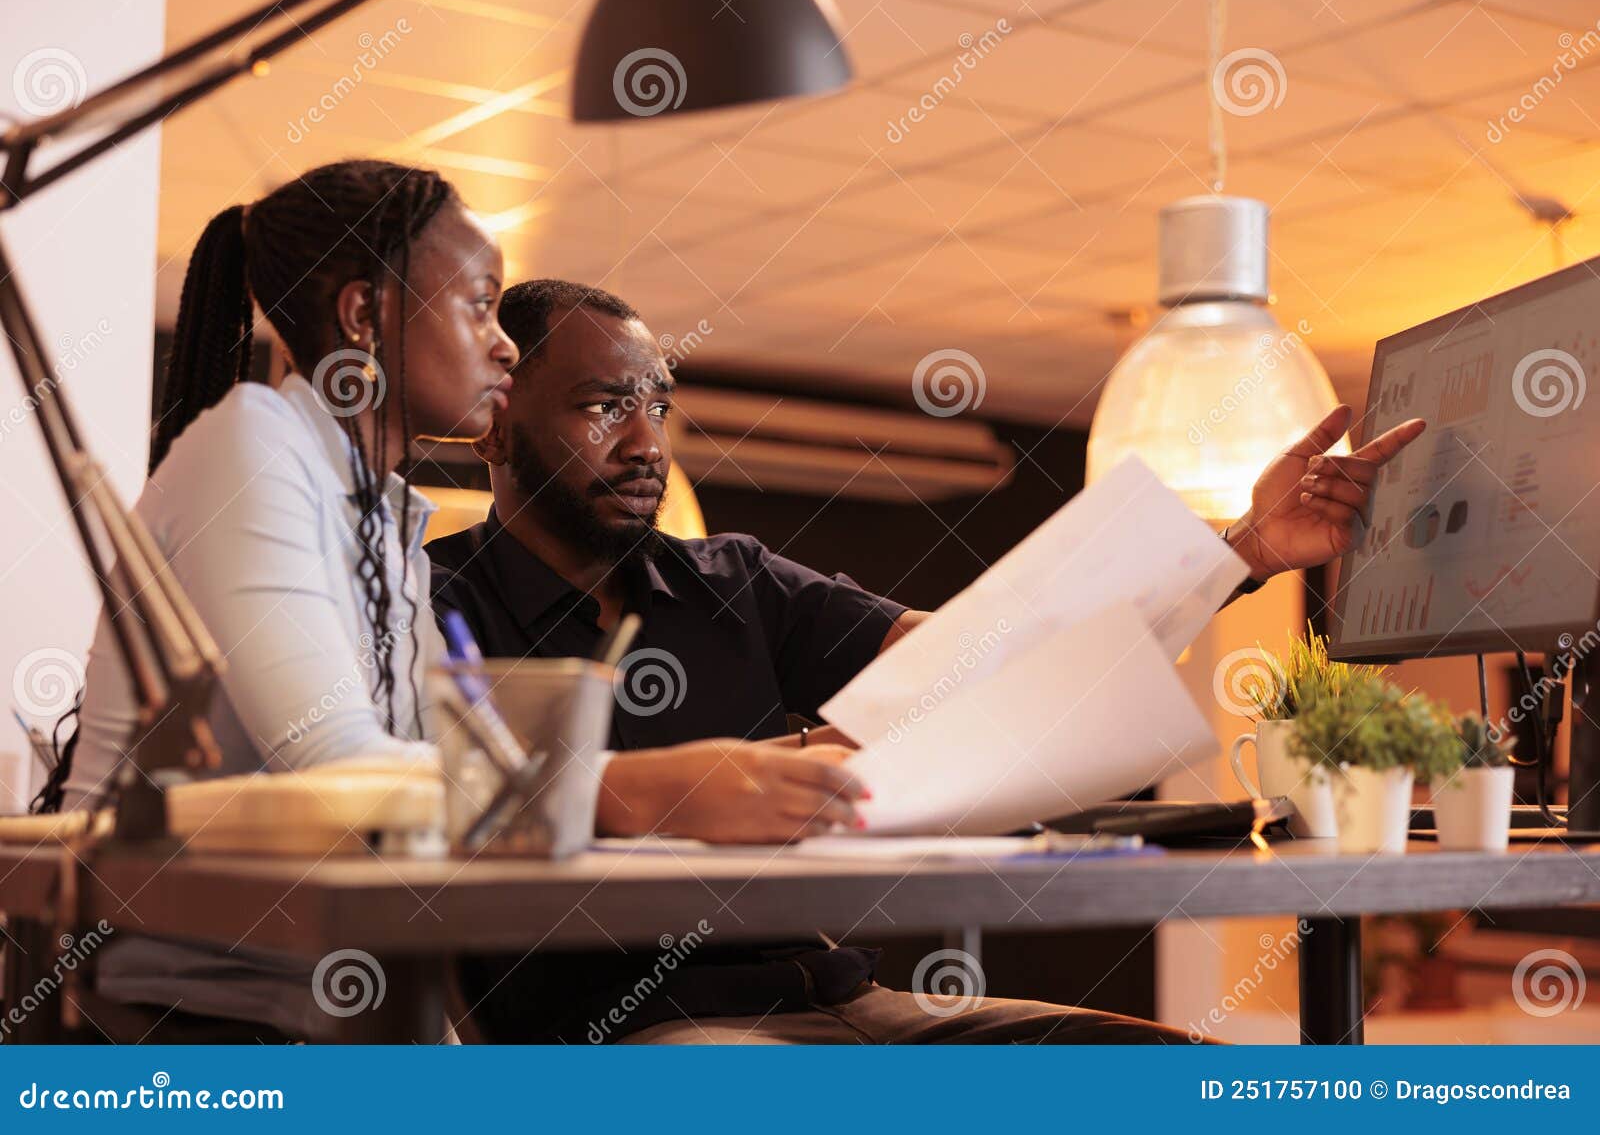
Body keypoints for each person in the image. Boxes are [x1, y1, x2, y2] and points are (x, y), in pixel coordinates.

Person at [427, 279, 1427, 1045]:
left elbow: (977, 656)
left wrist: (1244, 548)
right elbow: (407, 811)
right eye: (605, 406)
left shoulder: (732, 576)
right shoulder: (431, 607)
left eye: (658, 404)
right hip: (631, 1036)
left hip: (841, 997)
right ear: (497, 421)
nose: (647, 442)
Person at [63, 158, 519, 1041]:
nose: (504, 342)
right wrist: (626, 791)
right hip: (176, 1020)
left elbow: (446, 771)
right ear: (363, 315)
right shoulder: (253, 444)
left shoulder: (383, 521)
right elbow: (339, 767)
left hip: (325, 1002)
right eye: (480, 303)